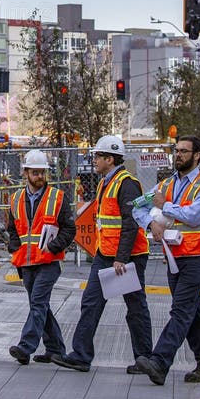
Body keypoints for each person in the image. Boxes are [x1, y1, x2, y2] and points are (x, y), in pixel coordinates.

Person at [55, 135, 153, 373]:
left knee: (135, 308)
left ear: (110, 159)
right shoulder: (105, 182)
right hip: (106, 254)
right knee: (91, 302)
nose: (94, 160)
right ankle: (81, 355)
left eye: (98, 156)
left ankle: (145, 359)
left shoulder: (127, 184)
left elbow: (131, 224)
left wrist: (121, 257)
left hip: (126, 257)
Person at [133, 135, 200, 386]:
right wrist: (151, 223)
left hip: (198, 257)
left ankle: (160, 361)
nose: (178, 154)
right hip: (174, 256)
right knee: (191, 312)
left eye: (183, 151)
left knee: (181, 310)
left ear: (197, 156)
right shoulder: (166, 184)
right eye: (176, 150)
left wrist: (165, 207)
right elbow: (137, 206)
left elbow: (194, 216)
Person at [7, 149, 76, 365]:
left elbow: (69, 229)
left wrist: (54, 247)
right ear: (26, 173)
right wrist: (14, 246)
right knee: (41, 306)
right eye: (35, 173)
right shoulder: (16, 198)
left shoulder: (57, 197)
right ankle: (56, 349)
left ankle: (25, 347)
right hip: (26, 262)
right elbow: (13, 229)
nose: (40, 177)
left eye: (42, 173)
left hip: (48, 261)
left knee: (37, 302)